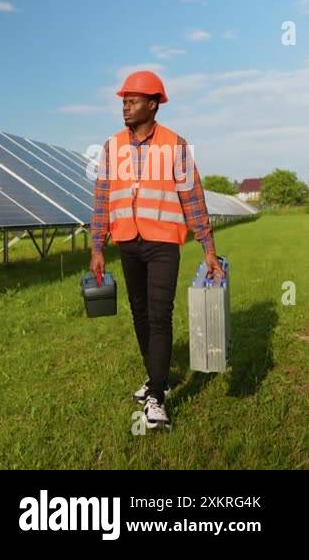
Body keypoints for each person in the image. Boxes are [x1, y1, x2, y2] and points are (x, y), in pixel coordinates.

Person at [89, 70, 225, 430]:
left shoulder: (176, 146)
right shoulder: (112, 146)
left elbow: (193, 199)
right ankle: (154, 377)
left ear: (153, 105)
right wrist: (97, 245)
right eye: (123, 101)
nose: (125, 107)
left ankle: (158, 399)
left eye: (132, 101)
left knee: (159, 315)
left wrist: (208, 249)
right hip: (128, 242)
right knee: (139, 313)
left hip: (163, 242)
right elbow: (102, 197)